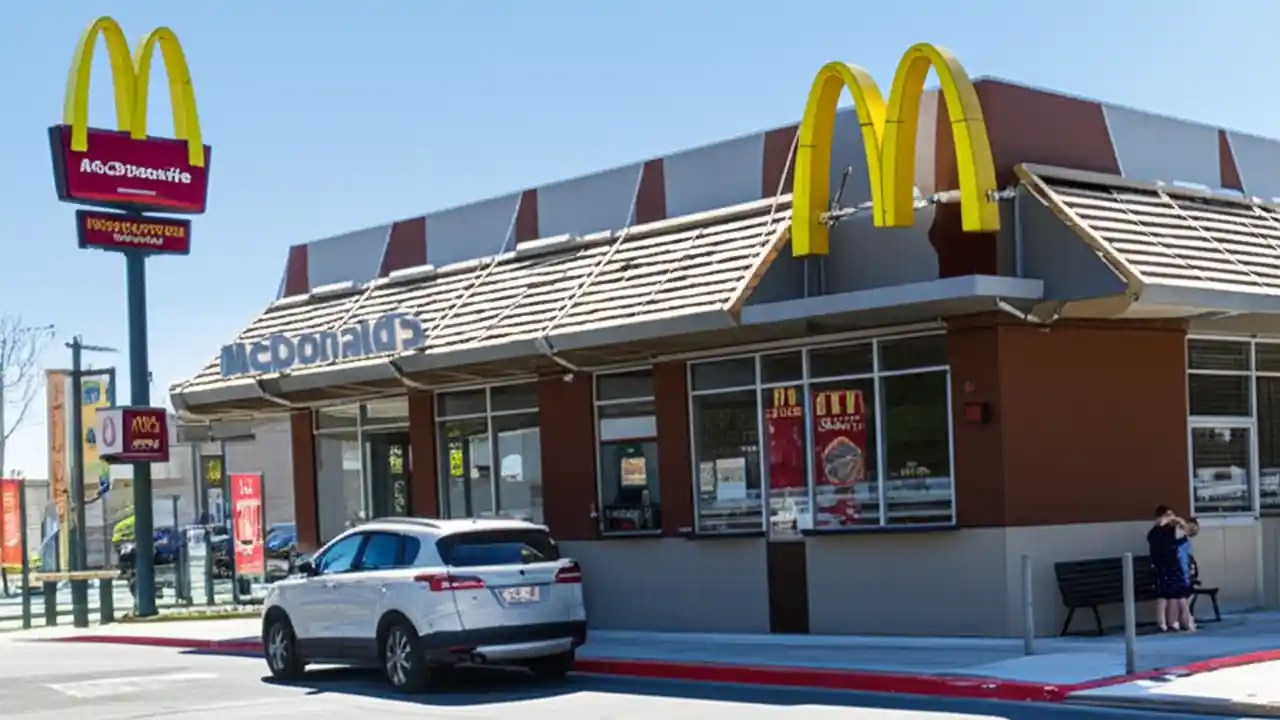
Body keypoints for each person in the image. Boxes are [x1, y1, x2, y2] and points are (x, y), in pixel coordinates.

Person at [1146, 505, 1190, 631]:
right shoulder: (1155, 533)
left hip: (1175, 566)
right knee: (1163, 595)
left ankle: (1173, 622)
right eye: (1167, 515)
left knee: (1175, 594)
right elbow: (1154, 544)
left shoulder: (1173, 530)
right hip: (1161, 567)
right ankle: (1162, 623)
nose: (1171, 518)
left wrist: (1180, 522)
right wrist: (1161, 523)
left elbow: (1186, 533)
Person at [1175, 516, 1200, 632]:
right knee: (1182, 597)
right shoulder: (1180, 540)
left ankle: (1186, 620)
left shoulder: (1185, 541)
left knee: (1185, 596)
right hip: (1179, 573)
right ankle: (1187, 621)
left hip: (1183, 573)